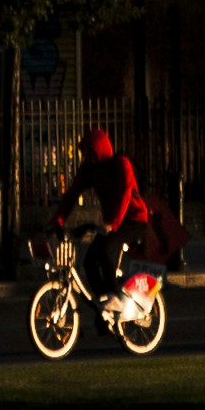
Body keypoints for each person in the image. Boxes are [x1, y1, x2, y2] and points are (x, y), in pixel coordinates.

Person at [53, 127, 156, 304]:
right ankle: (104, 304)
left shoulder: (121, 164)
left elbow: (126, 192)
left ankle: (116, 297)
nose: (87, 157)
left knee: (105, 251)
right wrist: (57, 220)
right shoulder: (89, 170)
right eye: (85, 152)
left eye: (90, 152)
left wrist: (113, 224)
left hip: (135, 220)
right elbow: (72, 194)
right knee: (89, 262)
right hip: (112, 222)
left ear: (99, 149)